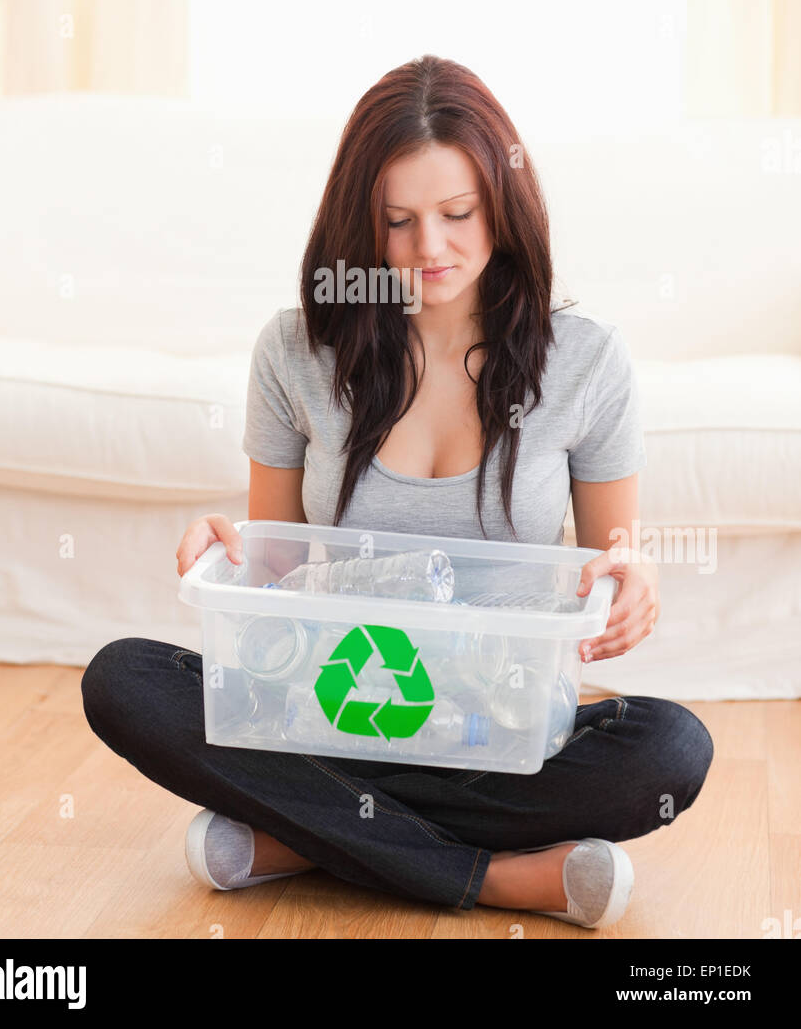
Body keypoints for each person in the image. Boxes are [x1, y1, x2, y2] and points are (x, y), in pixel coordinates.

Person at [81, 54, 714, 928]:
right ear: (359, 224)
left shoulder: (587, 362)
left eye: (458, 214)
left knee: (672, 748)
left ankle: (303, 838)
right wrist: (231, 555)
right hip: (332, 717)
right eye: (398, 222)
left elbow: (616, 561)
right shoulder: (296, 350)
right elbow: (277, 584)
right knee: (122, 680)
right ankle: (493, 876)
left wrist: (634, 585)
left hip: (500, 729)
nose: (431, 250)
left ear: (502, 204)